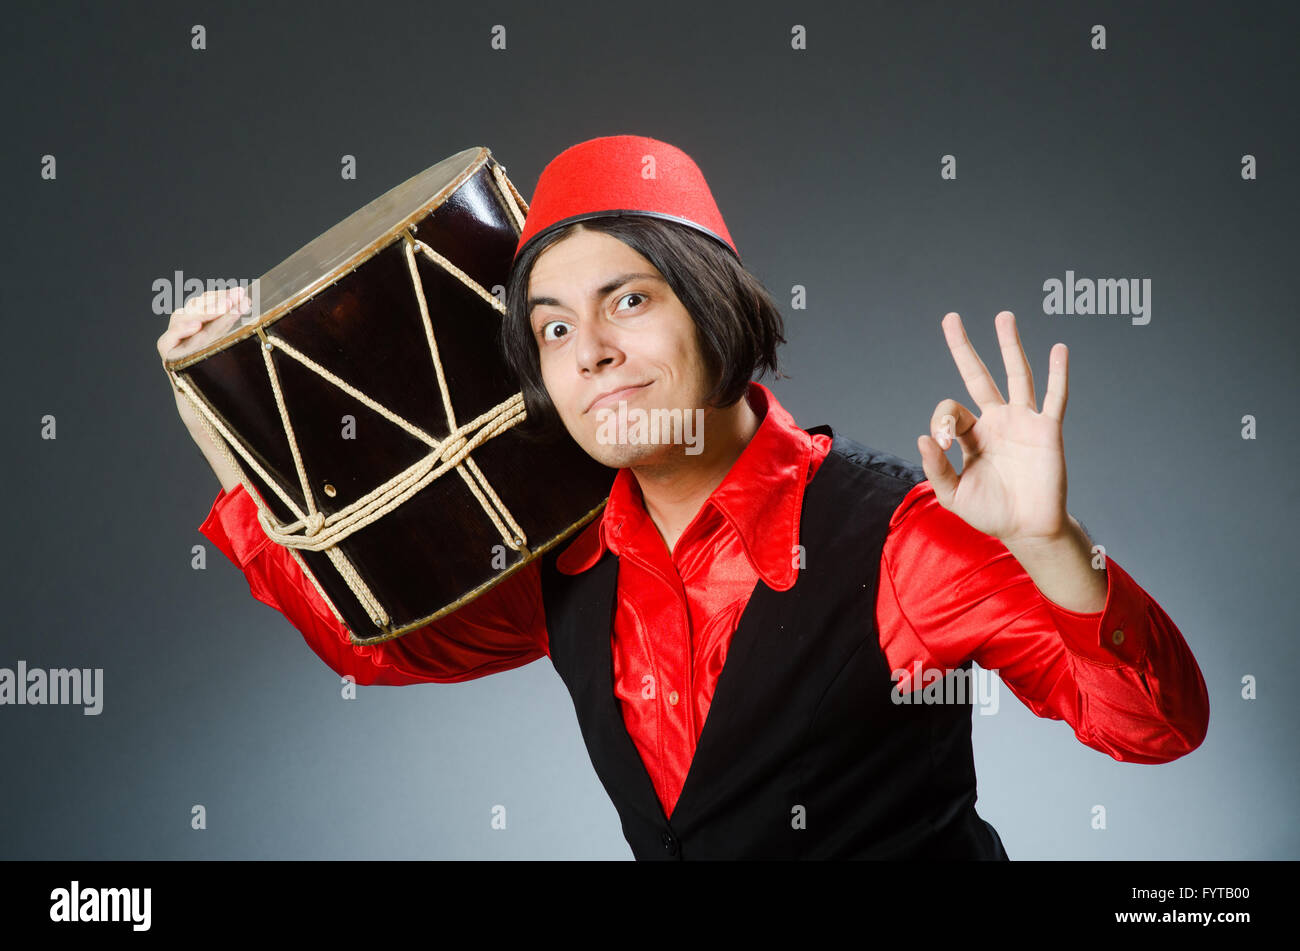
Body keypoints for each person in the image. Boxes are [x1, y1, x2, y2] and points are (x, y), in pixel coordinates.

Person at [156, 134, 1210, 860]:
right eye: (555, 328)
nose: (594, 352)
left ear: (710, 307)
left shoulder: (899, 542)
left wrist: (1053, 543)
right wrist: (231, 431)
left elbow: (1154, 729)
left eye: (629, 299)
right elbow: (378, 646)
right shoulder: (570, 560)